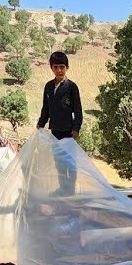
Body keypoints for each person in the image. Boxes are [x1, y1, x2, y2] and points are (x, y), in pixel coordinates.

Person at [35, 51, 83, 194]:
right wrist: (40, 124)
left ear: (67, 68)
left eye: (62, 67)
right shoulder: (48, 87)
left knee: (70, 163)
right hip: (55, 131)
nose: (59, 70)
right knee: (59, 163)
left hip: (68, 132)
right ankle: (63, 188)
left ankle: (71, 190)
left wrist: (76, 128)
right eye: (56, 67)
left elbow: (78, 111)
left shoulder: (71, 87)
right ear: (51, 68)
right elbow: (46, 109)